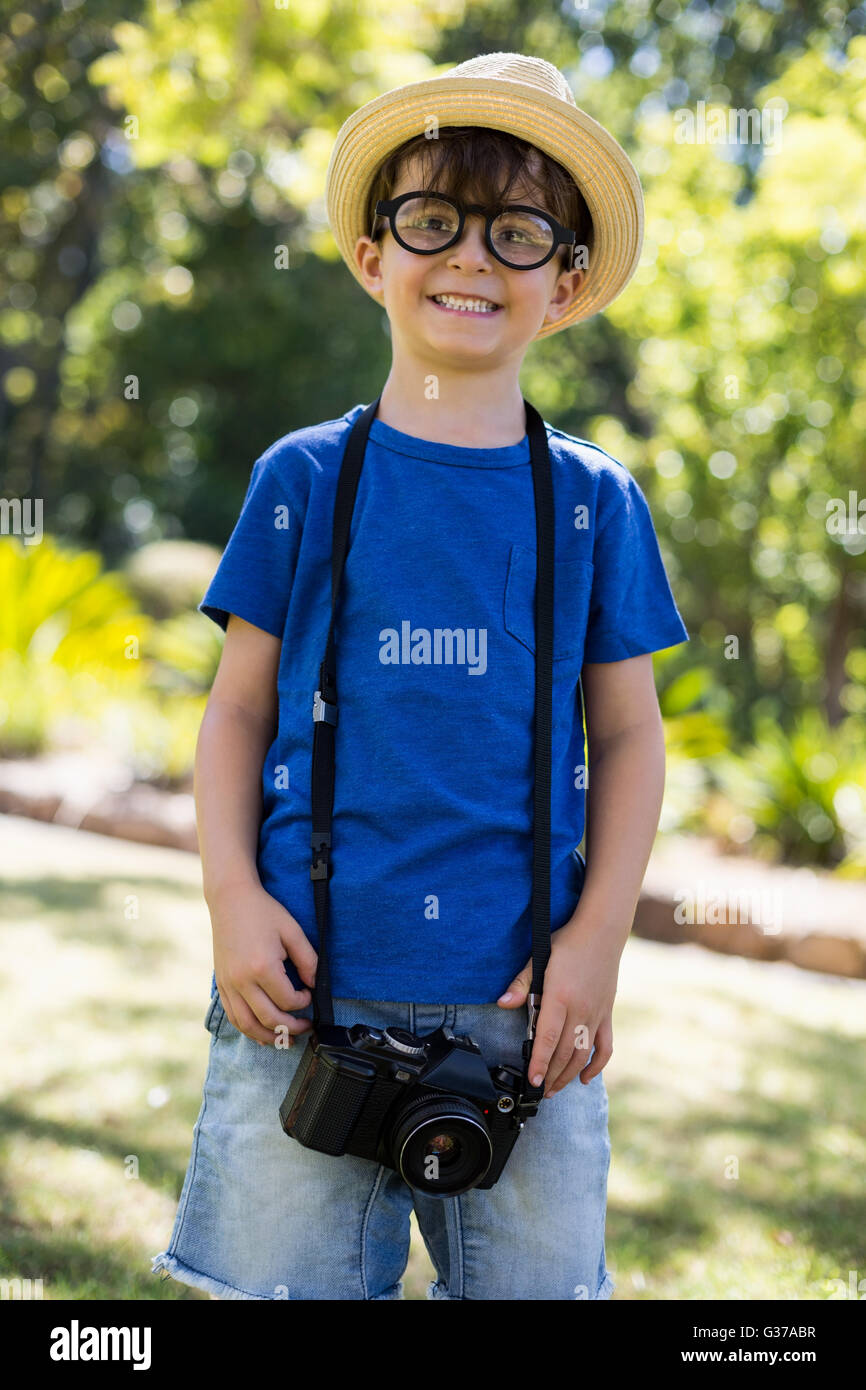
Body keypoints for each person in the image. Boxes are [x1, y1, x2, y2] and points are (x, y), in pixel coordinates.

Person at [151, 51, 689, 1301]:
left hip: (527, 1016)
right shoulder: (304, 480)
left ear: (563, 285)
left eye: (517, 233)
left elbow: (628, 737)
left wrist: (596, 939)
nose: (470, 260)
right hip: (299, 999)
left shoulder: (594, 504)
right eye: (433, 220)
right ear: (369, 254)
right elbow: (235, 712)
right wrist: (231, 894)